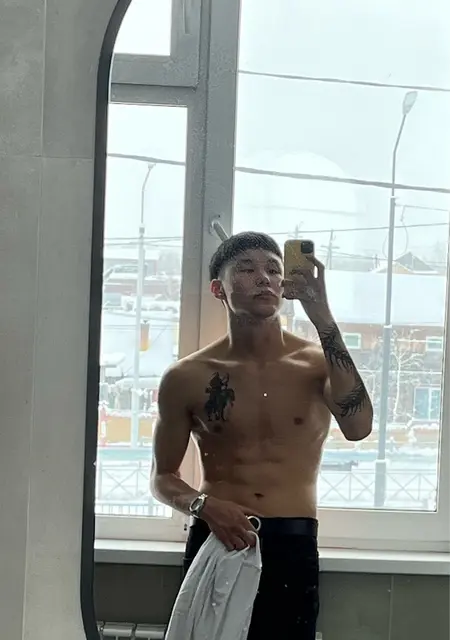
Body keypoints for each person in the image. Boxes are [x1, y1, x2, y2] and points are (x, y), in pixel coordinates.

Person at [151, 231, 373, 639]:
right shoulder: (187, 376)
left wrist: (322, 315)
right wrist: (203, 506)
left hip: (292, 542)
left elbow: (358, 427)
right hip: (219, 535)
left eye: (273, 269)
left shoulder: (315, 365)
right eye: (247, 269)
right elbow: (163, 478)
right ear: (218, 288)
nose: (264, 278)